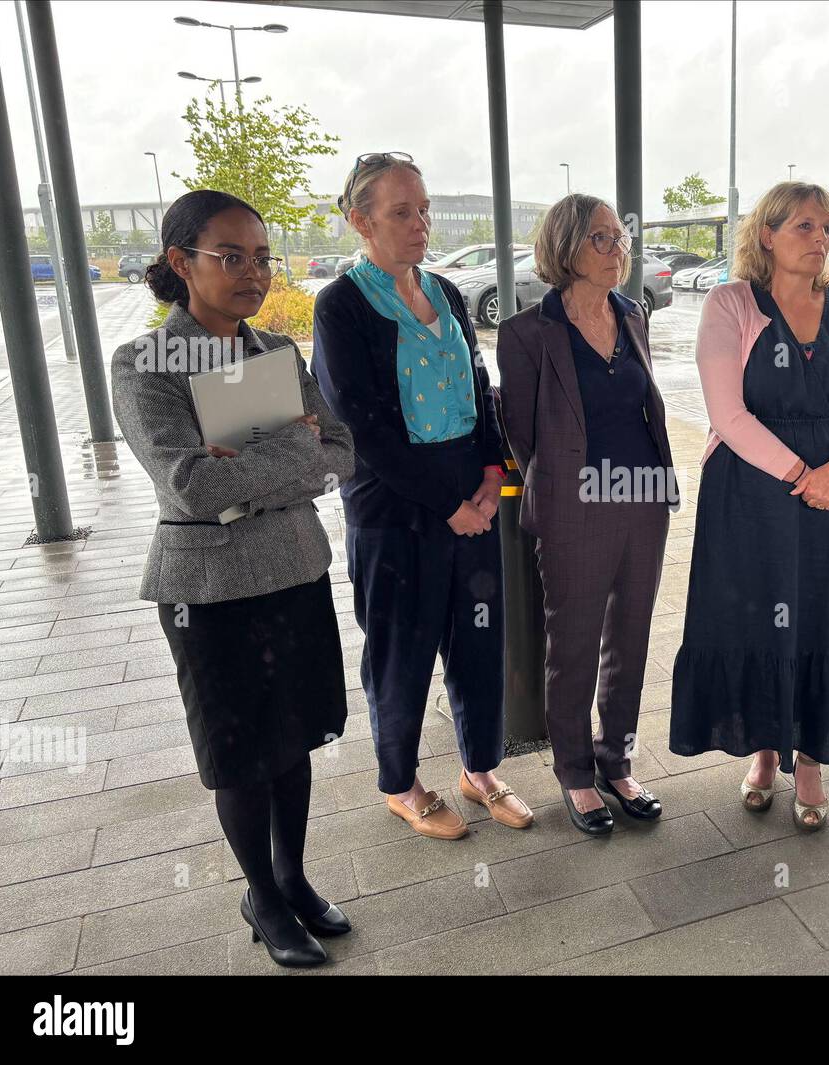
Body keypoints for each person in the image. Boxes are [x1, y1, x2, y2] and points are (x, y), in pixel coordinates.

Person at [111, 189, 356, 968]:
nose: (252, 271)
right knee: (241, 753)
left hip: (293, 567)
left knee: (294, 741)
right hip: (208, 592)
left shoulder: (277, 353)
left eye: (261, 257)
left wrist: (252, 469)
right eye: (231, 256)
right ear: (181, 262)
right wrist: (292, 450)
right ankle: (261, 894)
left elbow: (343, 453)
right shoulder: (145, 363)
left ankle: (291, 877)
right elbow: (190, 483)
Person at [312, 153, 533, 840]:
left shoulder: (445, 291)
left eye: (425, 207)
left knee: (477, 644)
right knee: (400, 653)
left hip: (473, 495)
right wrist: (449, 502)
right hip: (395, 507)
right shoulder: (342, 305)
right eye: (401, 211)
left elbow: (478, 385)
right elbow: (361, 423)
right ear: (360, 219)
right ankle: (402, 783)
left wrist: (496, 474)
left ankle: (480, 768)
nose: (421, 223)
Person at [669, 181, 829, 831]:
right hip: (750, 495)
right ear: (765, 233)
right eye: (804, 225)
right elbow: (726, 413)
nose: (821, 237)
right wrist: (805, 473)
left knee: (826, 616)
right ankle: (764, 752)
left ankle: (812, 760)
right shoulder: (729, 303)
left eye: (828, 226)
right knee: (759, 621)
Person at [497, 194, 675, 837]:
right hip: (575, 508)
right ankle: (574, 772)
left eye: (621, 238)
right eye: (602, 238)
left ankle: (615, 759)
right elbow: (522, 434)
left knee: (629, 639)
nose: (618, 249)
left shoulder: (633, 314)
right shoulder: (525, 333)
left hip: (644, 500)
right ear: (565, 248)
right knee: (572, 644)